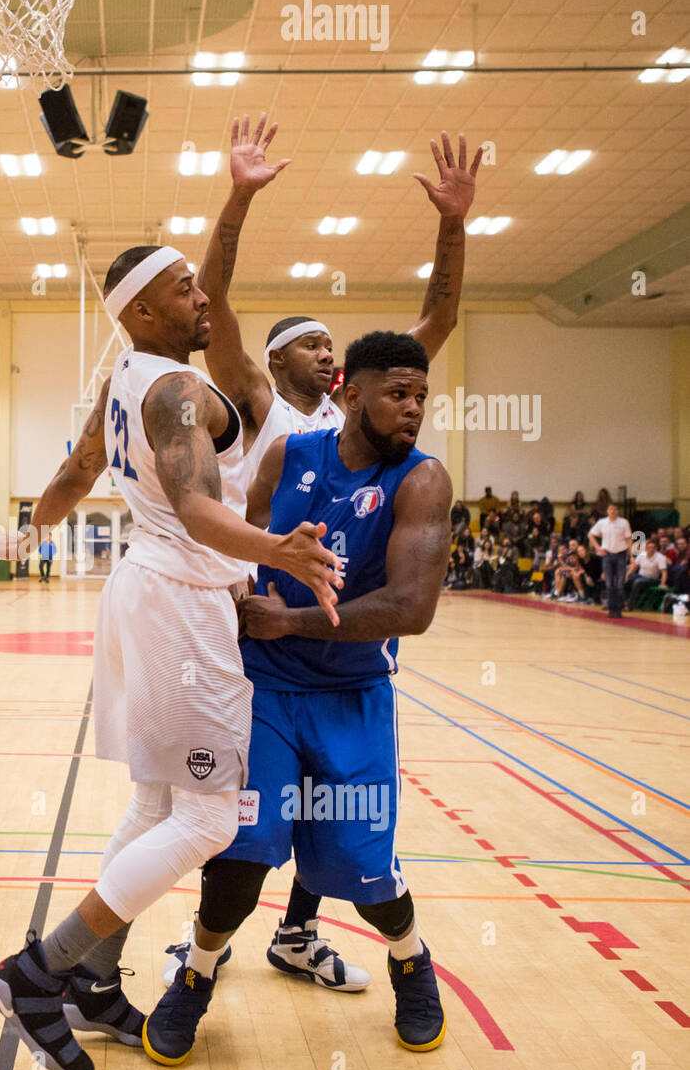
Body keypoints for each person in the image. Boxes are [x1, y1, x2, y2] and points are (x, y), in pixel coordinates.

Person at [0, 242, 345, 1070]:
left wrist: (28, 533)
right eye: (186, 290)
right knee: (210, 816)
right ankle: (37, 973)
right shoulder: (177, 388)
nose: (203, 298)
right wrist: (279, 551)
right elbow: (194, 508)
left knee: (155, 802)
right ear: (145, 313)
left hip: (146, 589)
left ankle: (96, 983)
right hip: (180, 598)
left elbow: (76, 472)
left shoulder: (123, 380)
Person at [154, 116, 477, 998]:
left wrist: (452, 221)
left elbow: (436, 319)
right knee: (255, 831)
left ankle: (302, 934)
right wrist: (240, 199)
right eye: (311, 340)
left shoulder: (381, 422)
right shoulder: (266, 415)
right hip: (266, 661)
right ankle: (229, 950)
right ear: (280, 361)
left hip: (344, 661)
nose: (328, 349)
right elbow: (214, 302)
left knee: (338, 828)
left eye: (334, 342)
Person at [143, 330, 454, 1064]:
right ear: (351, 396)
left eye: (421, 396)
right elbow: (239, 543)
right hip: (268, 687)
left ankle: (409, 956)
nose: (412, 409)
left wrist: (294, 618)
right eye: (397, 394)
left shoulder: (423, 479)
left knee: (358, 866)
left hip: (352, 695)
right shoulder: (286, 456)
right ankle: (197, 970)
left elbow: (413, 606)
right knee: (241, 848)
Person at [589, 503, 632, 618]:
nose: (612, 511)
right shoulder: (602, 522)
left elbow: (629, 539)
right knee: (609, 583)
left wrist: (631, 555)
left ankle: (619, 609)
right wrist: (598, 548)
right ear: (607, 511)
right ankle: (611, 608)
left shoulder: (624, 522)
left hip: (621, 554)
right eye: (610, 509)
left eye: (615, 509)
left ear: (617, 511)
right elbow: (591, 535)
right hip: (607, 554)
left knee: (620, 583)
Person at [626, 537, 668, 607]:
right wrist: (626, 576)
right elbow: (634, 567)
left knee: (637, 582)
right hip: (640, 576)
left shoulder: (660, 557)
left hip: (652, 579)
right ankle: (623, 600)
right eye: (649, 547)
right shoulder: (642, 555)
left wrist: (662, 583)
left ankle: (631, 605)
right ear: (646, 548)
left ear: (656, 548)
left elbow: (664, 572)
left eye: (653, 547)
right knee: (626, 579)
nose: (651, 549)